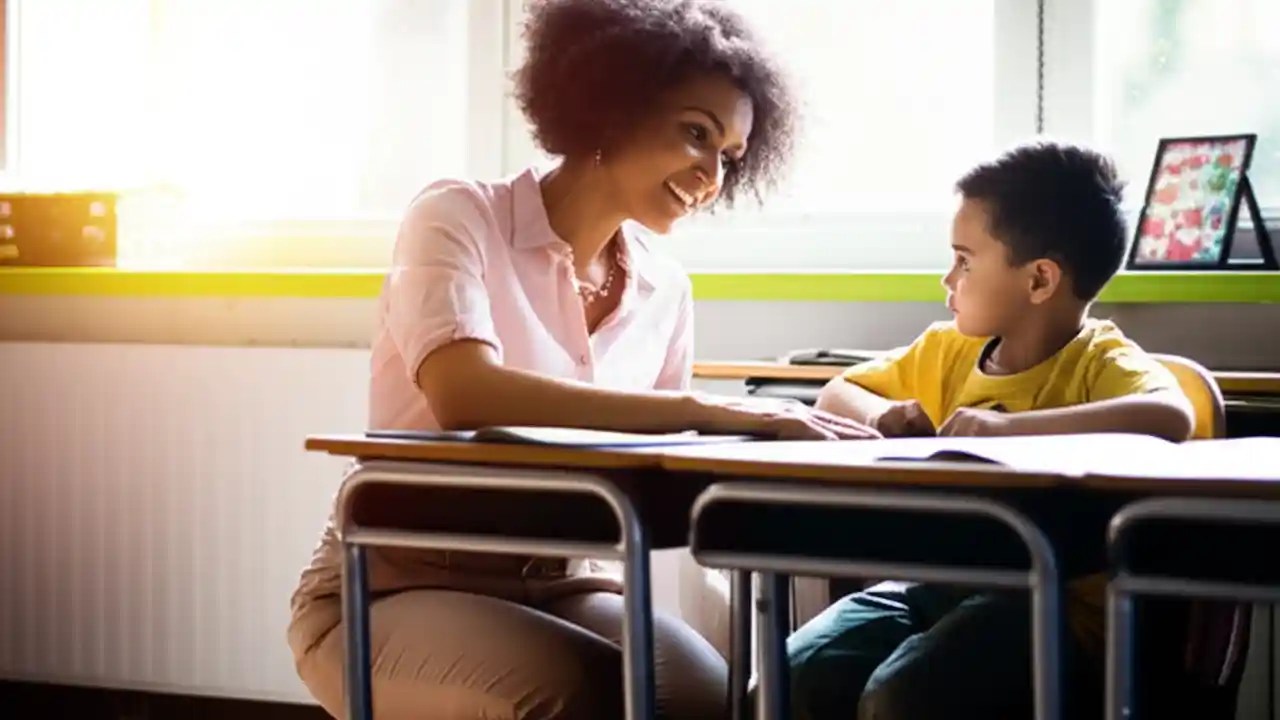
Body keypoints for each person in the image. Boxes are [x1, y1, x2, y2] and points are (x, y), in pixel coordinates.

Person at [287, 1, 878, 718]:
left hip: (571, 582)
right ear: (611, 108)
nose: (713, 177)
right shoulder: (457, 217)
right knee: (578, 695)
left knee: (704, 699)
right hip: (392, 581)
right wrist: (707, 410)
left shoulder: (666, 287)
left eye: (727, 157)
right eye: (695, 134)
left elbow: (664, 473)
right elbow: (464, 392)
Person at [788, 141, 1196, 720]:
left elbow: (1169, 414)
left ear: (1039, 280)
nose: (946, 278)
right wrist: (881, 416)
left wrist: (1007, 432)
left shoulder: (1098, 362)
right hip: (939, 586)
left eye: (965, 260)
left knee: (902, 698)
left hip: (1061, 615)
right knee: (796, 671)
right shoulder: (946, 350)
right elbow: (836, 391)